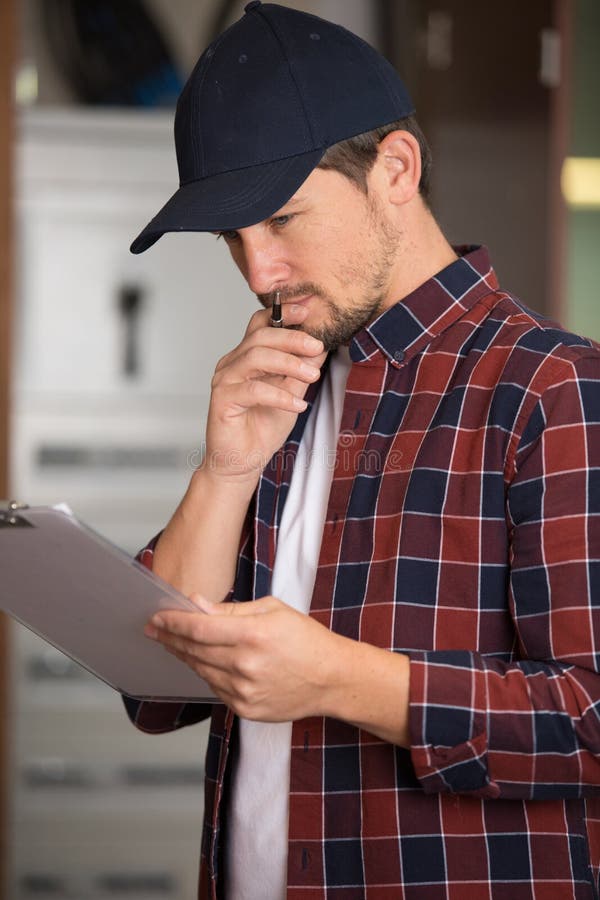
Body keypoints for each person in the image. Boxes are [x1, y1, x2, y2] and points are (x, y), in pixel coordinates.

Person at [124, 3, 600, 898]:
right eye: (234, 237)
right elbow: (154, 693)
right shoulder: (280, 387)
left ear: (396, 169)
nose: (259, 272)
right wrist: (223, 471)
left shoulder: (556, 389)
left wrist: (342, 680)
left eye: (283, 220)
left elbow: (593, 717)